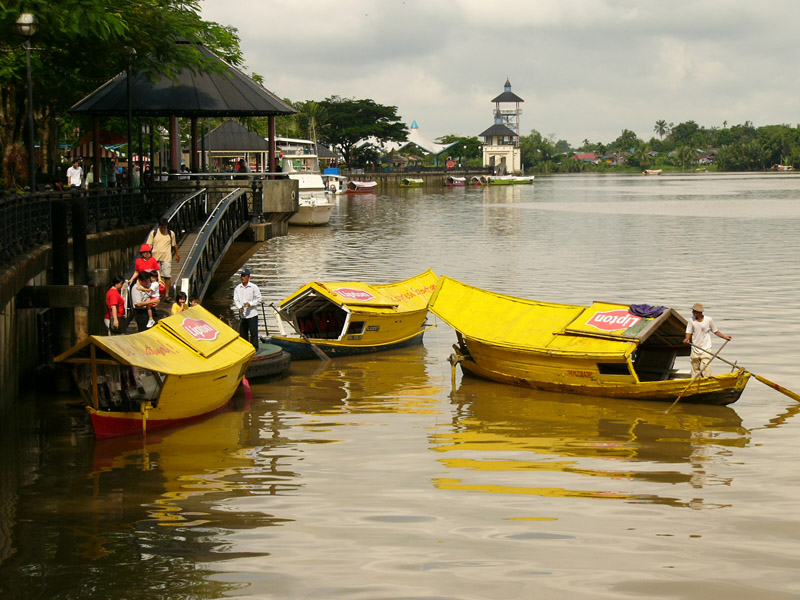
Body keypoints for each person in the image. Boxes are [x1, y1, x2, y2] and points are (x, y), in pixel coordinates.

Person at [683, 302, 732, 378]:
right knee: (695, 367)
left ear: (699, 312)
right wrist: (687, 339)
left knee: (707, 366)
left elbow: (715, 331)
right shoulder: (691, 320)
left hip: (706, 347)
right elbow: (688, 332)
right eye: (693, 311)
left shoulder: (708, 320)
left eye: (694, 311)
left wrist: (725, 337)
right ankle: (695, 382)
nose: (692, 312)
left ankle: (707, 380)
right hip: (695, 347)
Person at [146, 218, 180, 301]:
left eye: (165, 227)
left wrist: (177, 254)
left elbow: (174, 244)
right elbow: (149, 245)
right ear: (159, 226)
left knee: (167, 276)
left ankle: (167, 294)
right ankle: (157, 294)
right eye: (162, 227)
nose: (163, 229)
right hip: (155, 258)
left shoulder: (171, 233)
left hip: (166, 257)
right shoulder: (154, 233)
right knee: (155, 277)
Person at [233, 268, 262, 351]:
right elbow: (236, 300)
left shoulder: (253, 287)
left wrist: (251, 304)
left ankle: (255, 349)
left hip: (252, 314)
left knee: (253, 333)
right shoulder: (237, 288)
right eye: (242, 276)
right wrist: (239, 307)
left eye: (244, 276)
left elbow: (259, 299)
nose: (243, 278)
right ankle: (245, 350)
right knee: (243, 333)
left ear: (249, 277)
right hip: (243, 315)